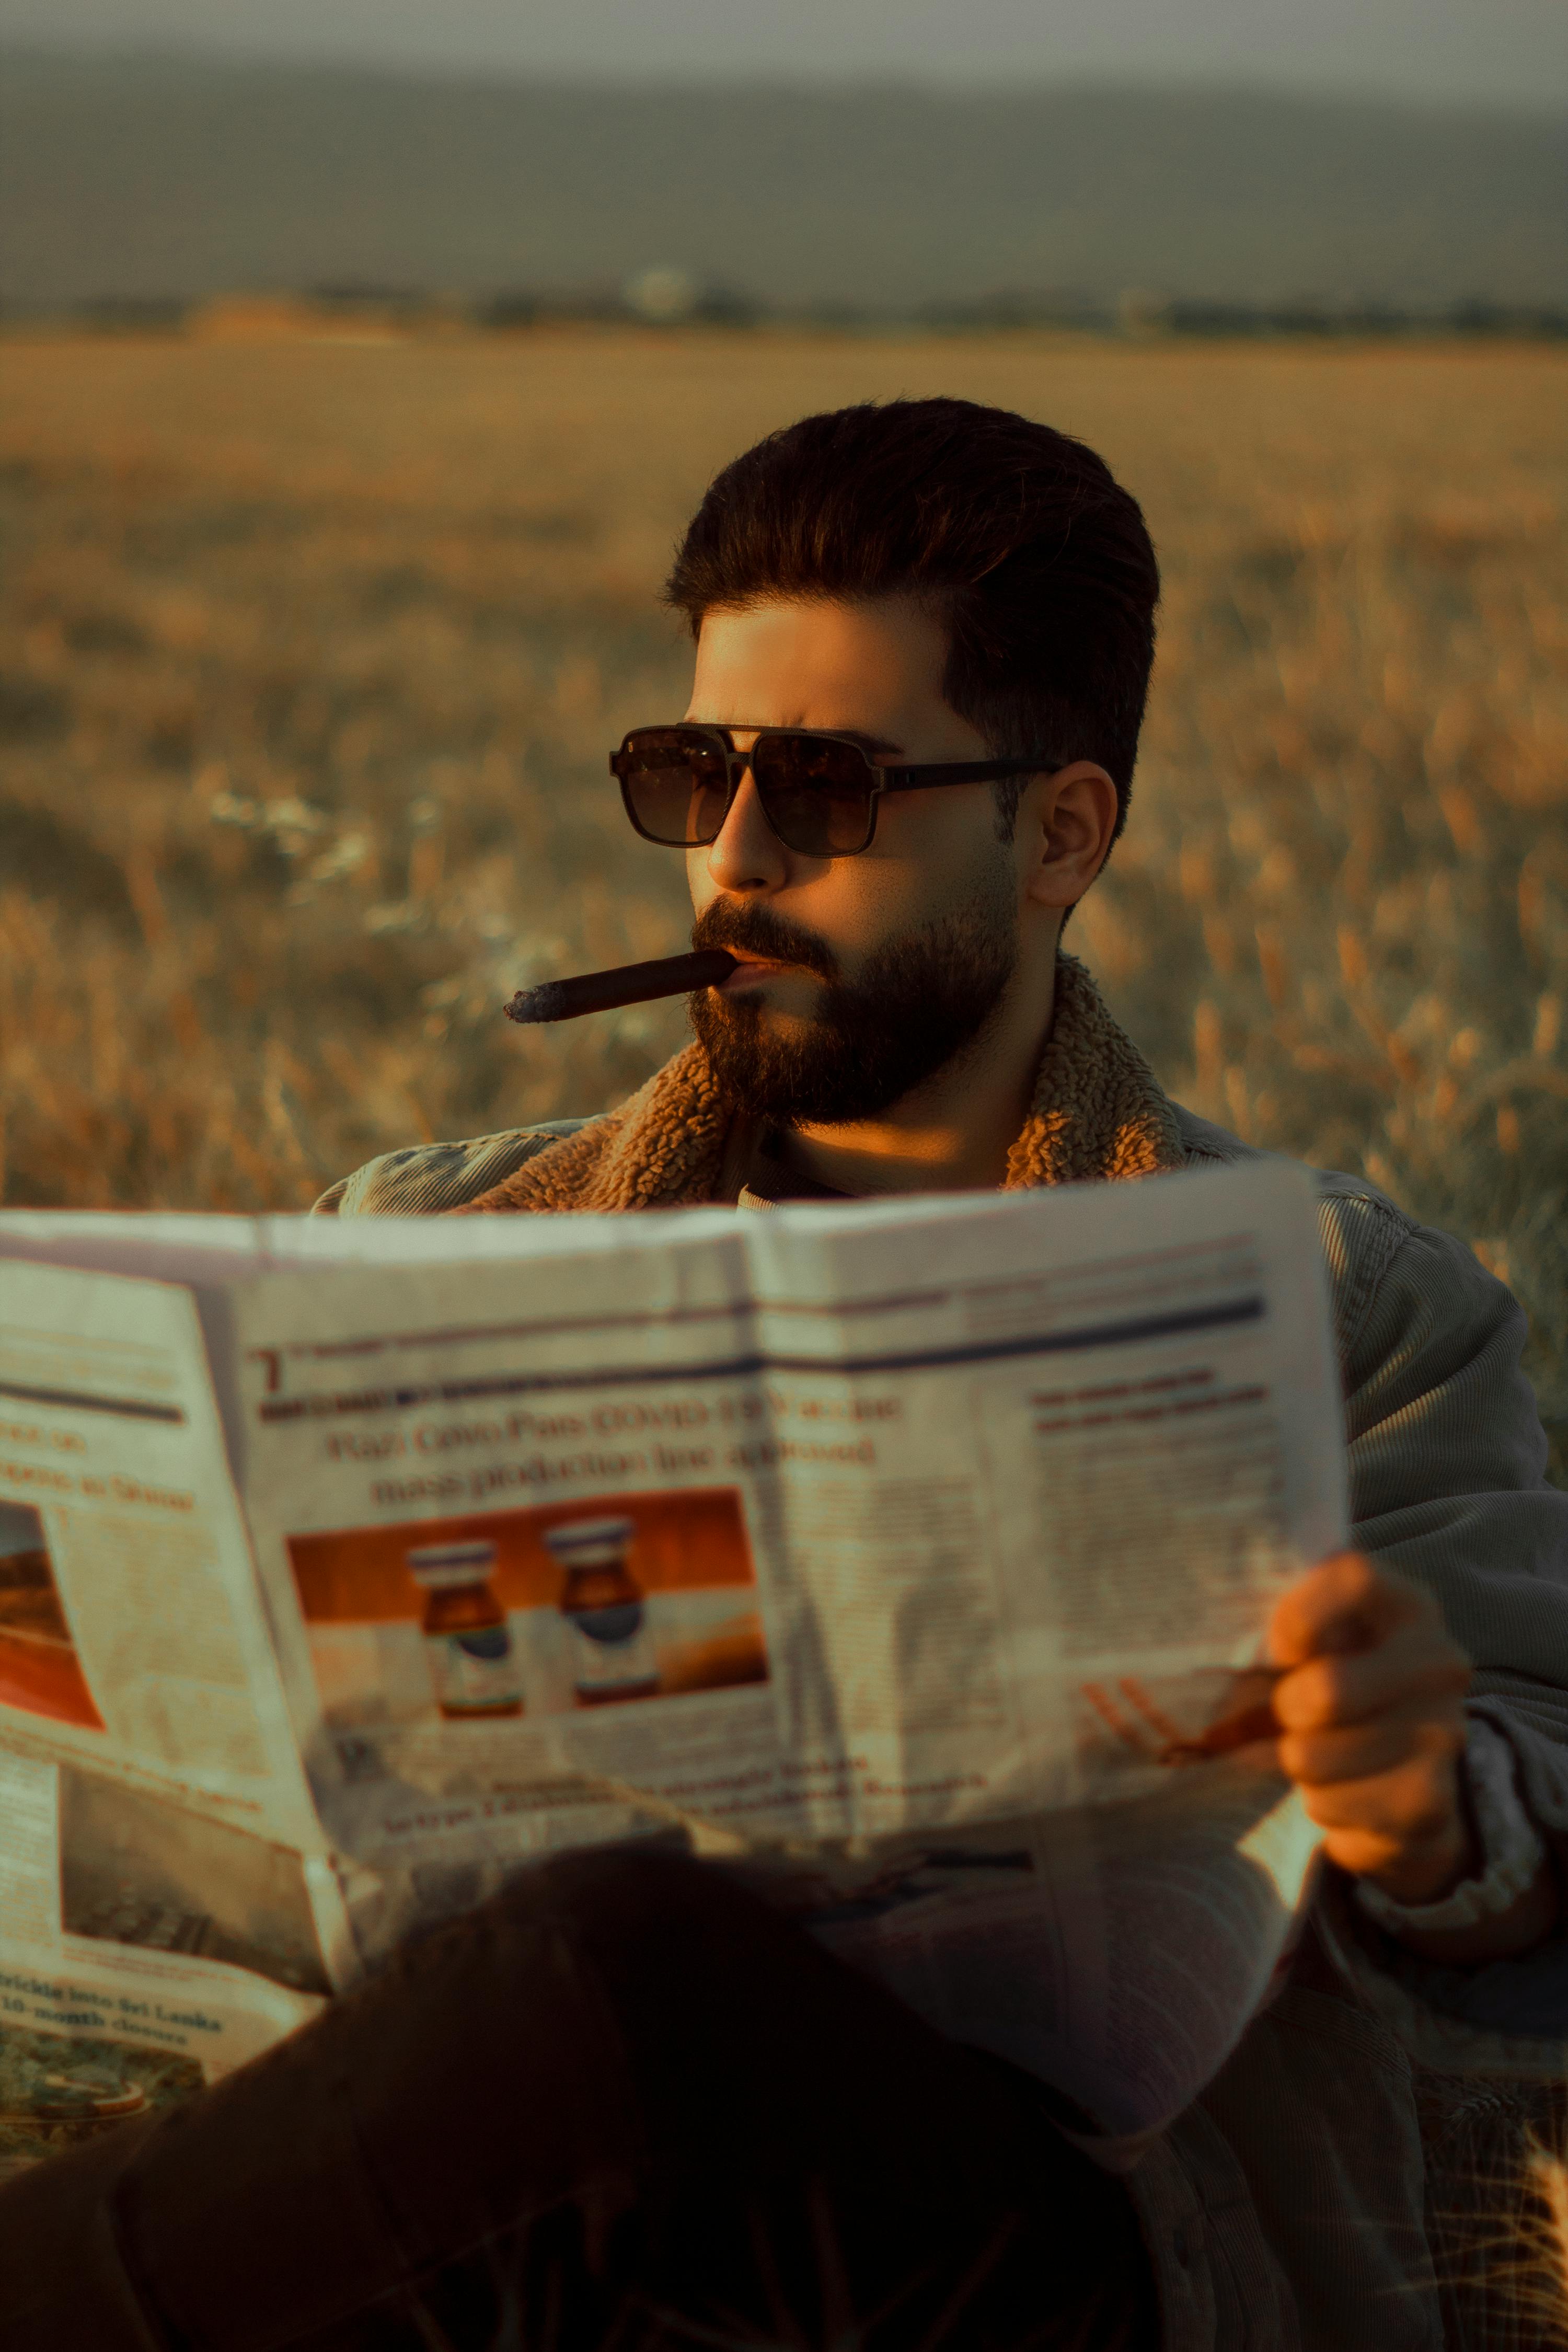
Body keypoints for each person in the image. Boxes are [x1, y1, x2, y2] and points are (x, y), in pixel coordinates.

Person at [8, 400, 1563, 2352]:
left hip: (1056, 2263)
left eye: (824, 786)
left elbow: (1545, 1773)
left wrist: (1437, 1810)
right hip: (508, 2249)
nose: (736, 858)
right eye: (694, 772)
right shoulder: (416, 1242)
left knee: (617, 1977)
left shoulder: (1328, 1301)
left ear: (1061, 831)